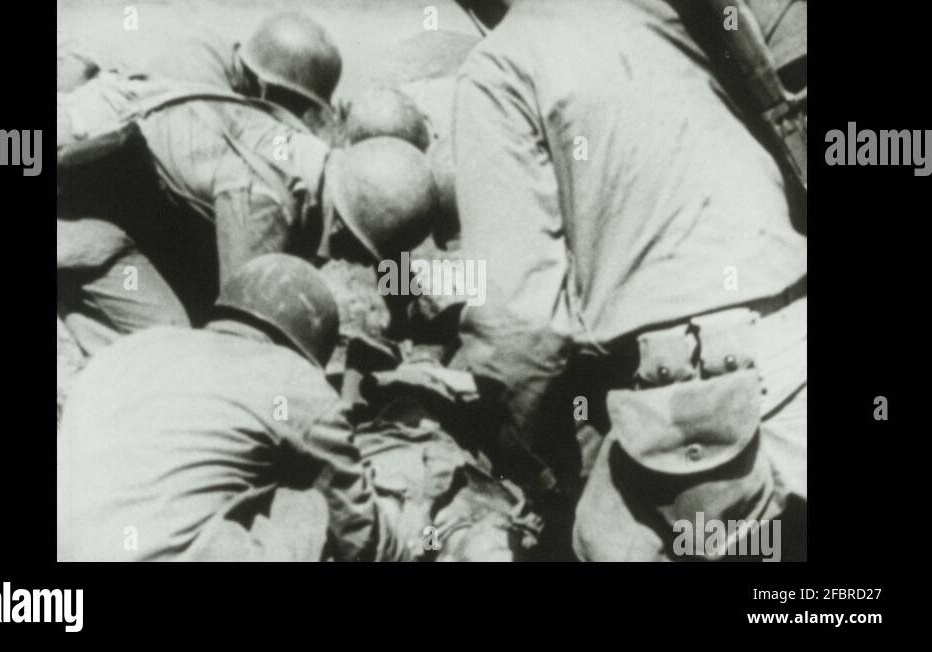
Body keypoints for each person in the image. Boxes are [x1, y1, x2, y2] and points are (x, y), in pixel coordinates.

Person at [449, 0, 807, 561]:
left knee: (599, 540)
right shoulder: (668, 11)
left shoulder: (500, 67)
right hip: (799, 336)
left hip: (707, 398)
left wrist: (557, 465)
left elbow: (514, 331)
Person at [57, 254, 417, 562]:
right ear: (306, 346)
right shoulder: (292, 377)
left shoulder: (129, 350)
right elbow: (360, 535)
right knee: (306, 501)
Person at [58, 74, 438, 355]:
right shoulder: (264, 205)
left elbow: (389, 253)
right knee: (178, 351)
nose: (347, 260)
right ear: (340, 226)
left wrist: (417, 328)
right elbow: (240, 346)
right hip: (75, 213)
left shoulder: (326, 167)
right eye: (353, 252)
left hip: (120, 199)